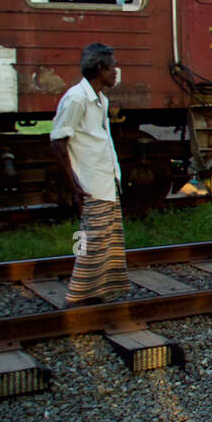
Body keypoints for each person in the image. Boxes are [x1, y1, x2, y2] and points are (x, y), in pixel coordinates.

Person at [49, 43, 129, 306]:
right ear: (99, 69)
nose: (116, 72)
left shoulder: (100, 100)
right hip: (90, 183)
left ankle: (95, 293)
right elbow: (58, 141)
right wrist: (73, 186)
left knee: (109, 239)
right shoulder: (76, 99)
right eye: (113, 67)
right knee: (91, 240)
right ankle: (77, 297)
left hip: (105, 180)